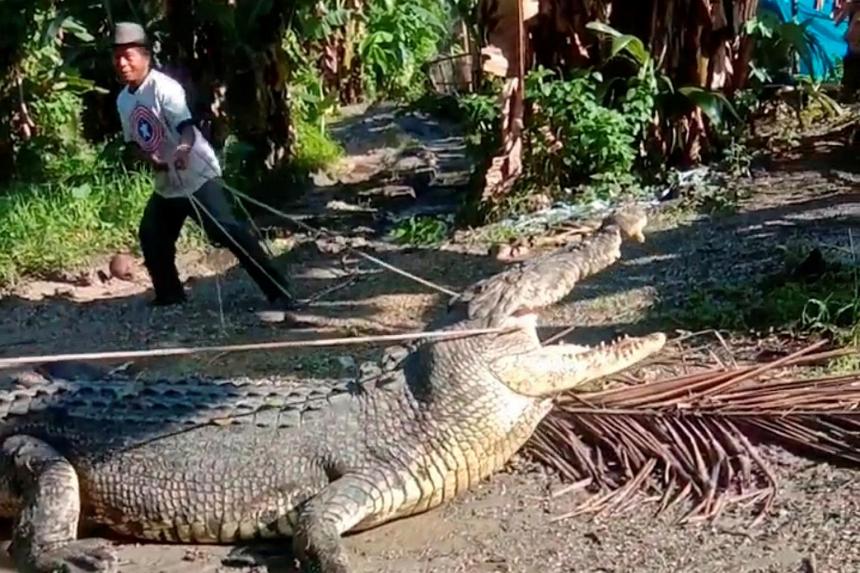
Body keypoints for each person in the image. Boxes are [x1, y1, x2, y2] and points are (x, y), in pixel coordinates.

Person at [111, 22, 296, 321]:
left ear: (145, 56)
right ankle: (169, 295)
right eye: (117, 57)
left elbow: (186, 130)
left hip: (197, 174)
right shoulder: (124, 100)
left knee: (227, 231)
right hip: (167, 181)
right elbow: (134, 142)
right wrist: (152, 158)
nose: (122, 63)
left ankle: (279, 291)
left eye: (128, 55)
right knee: (153, 234)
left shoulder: (164, 88)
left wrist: (182, 151)